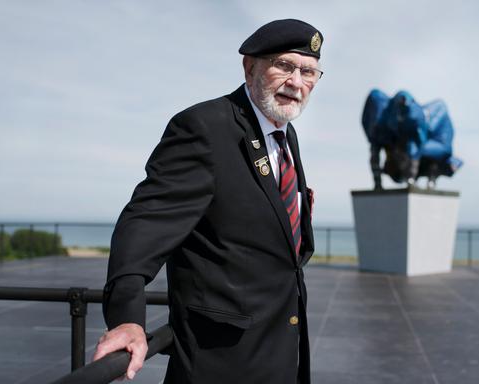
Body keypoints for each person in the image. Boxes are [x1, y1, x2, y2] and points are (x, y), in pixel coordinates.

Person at [92, 19, 323, 384]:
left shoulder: (284, 134)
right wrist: (126, 319)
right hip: (221, 365)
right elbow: (143, 226)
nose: (296, 82)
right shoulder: (204, 128)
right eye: (283, 65)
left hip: (281, 355)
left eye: (308, 71)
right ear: (250, 67)